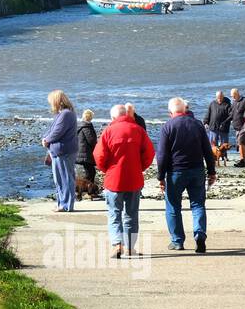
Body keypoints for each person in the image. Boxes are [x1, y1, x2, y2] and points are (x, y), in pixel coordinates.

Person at [94, 104, 156, 258]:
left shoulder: (108, 131)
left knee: (114, 213)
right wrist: (139, 167)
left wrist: (107, 170)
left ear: (113, 118)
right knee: (131, 214)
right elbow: (149, 153)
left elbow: (99, 156)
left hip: (114, 179)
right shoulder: (138, 130)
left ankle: (117, 245)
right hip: (133, 178)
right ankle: (129, 247)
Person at [157, 96, 217, 253]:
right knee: (197, 204)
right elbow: (207, 151)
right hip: (196, 170)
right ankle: (200, 235)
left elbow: (162, 155)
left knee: (173, 206)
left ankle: (177, 241)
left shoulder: (168, 126)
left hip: (175, 172)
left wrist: (160, 176)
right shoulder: (197, 125)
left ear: (170, 111)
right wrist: (211, 171)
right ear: (184, 109)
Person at [42, 90, 79, 212]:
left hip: (64, 151)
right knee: (59, 179)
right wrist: (45, 138)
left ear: (56, 101)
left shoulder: (66, 114)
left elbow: (58, 132)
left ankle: (66, 205)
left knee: (65, 178)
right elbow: (52, 130)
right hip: (59, 151)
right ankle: (61, 203)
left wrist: (47, 140)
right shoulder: (62, 114)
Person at [75, 109, 98, 186]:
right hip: (86, 154)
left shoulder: (80, 126)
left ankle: (85, 187)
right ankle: (87, 188)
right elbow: (92, 140)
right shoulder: (87, 127)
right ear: (90, 117)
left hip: (80, 152)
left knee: (88, 171)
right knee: (91, 172)